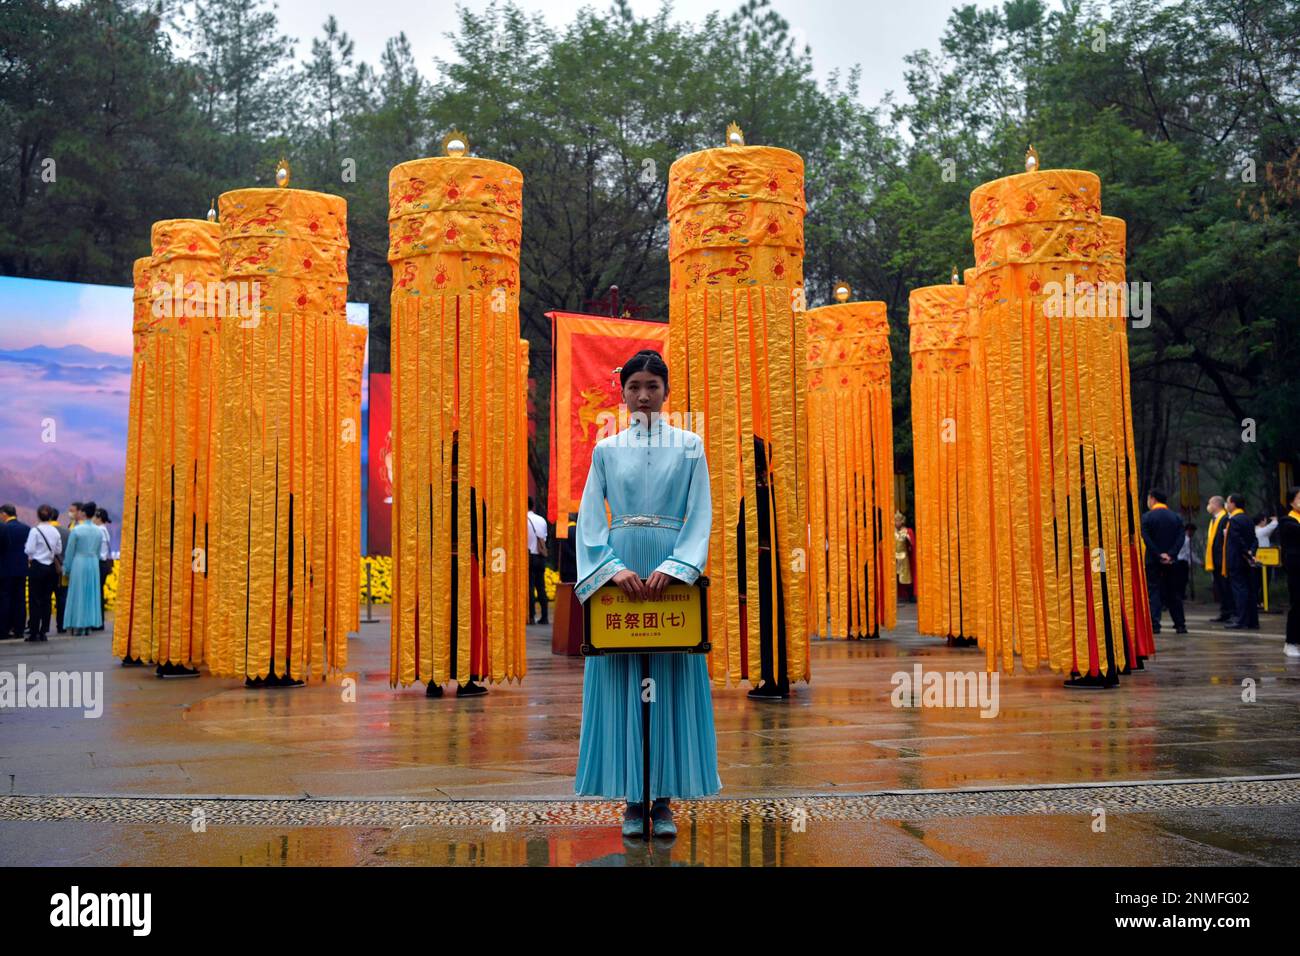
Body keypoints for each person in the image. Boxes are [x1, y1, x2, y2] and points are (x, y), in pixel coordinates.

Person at [573, 349, 720, 839]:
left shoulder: (691, 446)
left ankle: (665, 799)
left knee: (670, 681)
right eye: (633, 386)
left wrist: (679, 566)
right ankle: (633, 800)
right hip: (623, 575)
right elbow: (591, 519)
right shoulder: (606, 450)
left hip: (671, 578)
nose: (642, 395)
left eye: (652, 387)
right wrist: (610, 569)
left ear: (666, 392)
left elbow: (701, 513)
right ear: (622, 393)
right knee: (622, 681)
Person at [1141, 489, 1187, 635]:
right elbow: (1181, 539)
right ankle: (1180, 624)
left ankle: (1155, 624)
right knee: (1174, 592)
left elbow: (1147, 539)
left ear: (1152, 499)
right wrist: (1171, 554)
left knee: (1153, 591)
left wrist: (1158, 554)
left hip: (1153, 561)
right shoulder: (1176, 517)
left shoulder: (1147, 517)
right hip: (1172, 561)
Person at [63, 503, 103, 636]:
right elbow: (98, 551)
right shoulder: (98, 531)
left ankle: (79, 623)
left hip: (79, 561)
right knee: (90, 593)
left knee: (78, 592)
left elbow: (70, 551)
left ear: (84, 513)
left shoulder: (77, 530)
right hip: (93, 562)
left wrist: (66, 568)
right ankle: (88, 624)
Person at [24, 505, 62, 641]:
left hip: (37, 567)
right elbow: (58, 550)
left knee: (35, 600)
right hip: (50, 568)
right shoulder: (55, 531)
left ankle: (34, 631)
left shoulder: (35, 531)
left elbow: (29, 549)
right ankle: (43, 631)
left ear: (38, 516)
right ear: (51, 516)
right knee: (47, 599)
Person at [1223, 493, 1259, 630]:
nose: (1227, 505)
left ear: (1233, 504)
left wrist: (1246, 553)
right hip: (1247, 560)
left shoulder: (1234, 520)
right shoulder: (1248, 519)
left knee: (1240, 591)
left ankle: (1241, 620)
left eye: (1228, 502)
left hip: (1237, 560)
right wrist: (1251, 552)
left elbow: (1237, 541)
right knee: (1250, 590)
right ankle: (1252, 621)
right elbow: (1254, 539)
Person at [0, 504, 31, 639]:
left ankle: (4, 629)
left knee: (5, 599)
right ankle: (19, 629)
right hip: (21, 568)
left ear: (4, 514)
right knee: (20, 599)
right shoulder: (26, 528)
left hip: (5, 568)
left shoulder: (3, 528)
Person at [1277, 486, 1300, 659]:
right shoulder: (1287, 521)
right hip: (1297, 570)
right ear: (1291, 501)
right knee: (1297, 605)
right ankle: (1290, 642)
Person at [1205, 495, 1234, 623]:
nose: (1208, 506)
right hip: (1216, 560)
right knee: (1221, 588)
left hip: (1222, 560)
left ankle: (1230, 612)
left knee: (1226, 587)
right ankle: (1225, 612)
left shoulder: (1225, 518)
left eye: (1210, 503)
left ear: (1216, 505)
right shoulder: (1214, 520)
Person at [525, 497, 549, 625]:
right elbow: (544, 539)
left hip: (529, 557)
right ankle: (544, 616)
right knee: (541, 587)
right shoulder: (541, 520)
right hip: (540, 557)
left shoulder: (522, 520)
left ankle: (531, 616)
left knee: (529, 587)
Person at [52, 504, 74, 633]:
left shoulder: (41, 530)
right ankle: (62, 625)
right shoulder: (67, 531)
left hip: (48, 570)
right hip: (63, 570)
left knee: (44, 599)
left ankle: (41, 627)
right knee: (62, 598)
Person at [92, 508, 112, 631]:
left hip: (99, 563)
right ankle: (99, 621)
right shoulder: (104, 530)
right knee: (99, 593)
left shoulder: (99, 530)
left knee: (97, 593)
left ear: (98, 518)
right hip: (103, 564)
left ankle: (98, 622)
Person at [894, 512, 916, 603]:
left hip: (904, 556)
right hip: (894, 556)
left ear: (902, 521)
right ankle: (896, 595)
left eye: (898, 520)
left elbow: (912, 543)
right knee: (895, 577)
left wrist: (910, 542)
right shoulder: (892, 531)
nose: (897, 522)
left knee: (906, 577)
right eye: (895, 520)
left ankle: (910, 595)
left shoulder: (907, 531)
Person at [1176, 523, 1199, 601]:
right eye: (1192, 532)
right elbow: (1189, 553)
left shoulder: (1181, 538)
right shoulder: (1186, 540)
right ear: (1189, 531)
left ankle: (1181, 595)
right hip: (1182, 561)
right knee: (1183, 580)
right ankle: (1181, 595)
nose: (1193, 534)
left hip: (1179, 561)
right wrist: (1198, 562)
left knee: (1182, 580)